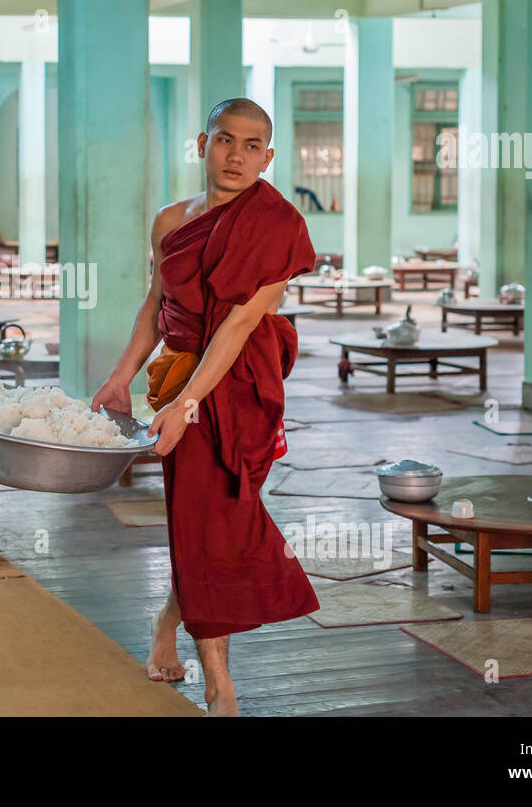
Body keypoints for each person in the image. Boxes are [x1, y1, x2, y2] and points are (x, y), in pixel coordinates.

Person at [91, 98, 319, 717]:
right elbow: (153, 307)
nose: (237, 155)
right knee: (204, 522)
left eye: (252, 146)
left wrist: (191, 403)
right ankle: (218, 678)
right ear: (202, 143)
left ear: (268, 157)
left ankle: (168, 619)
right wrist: (120, 379)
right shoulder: (170, 221)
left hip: (242, 383)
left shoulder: (280, 224)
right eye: (225, 140)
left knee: (216, 520)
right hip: (181, 379)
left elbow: (242, 321)